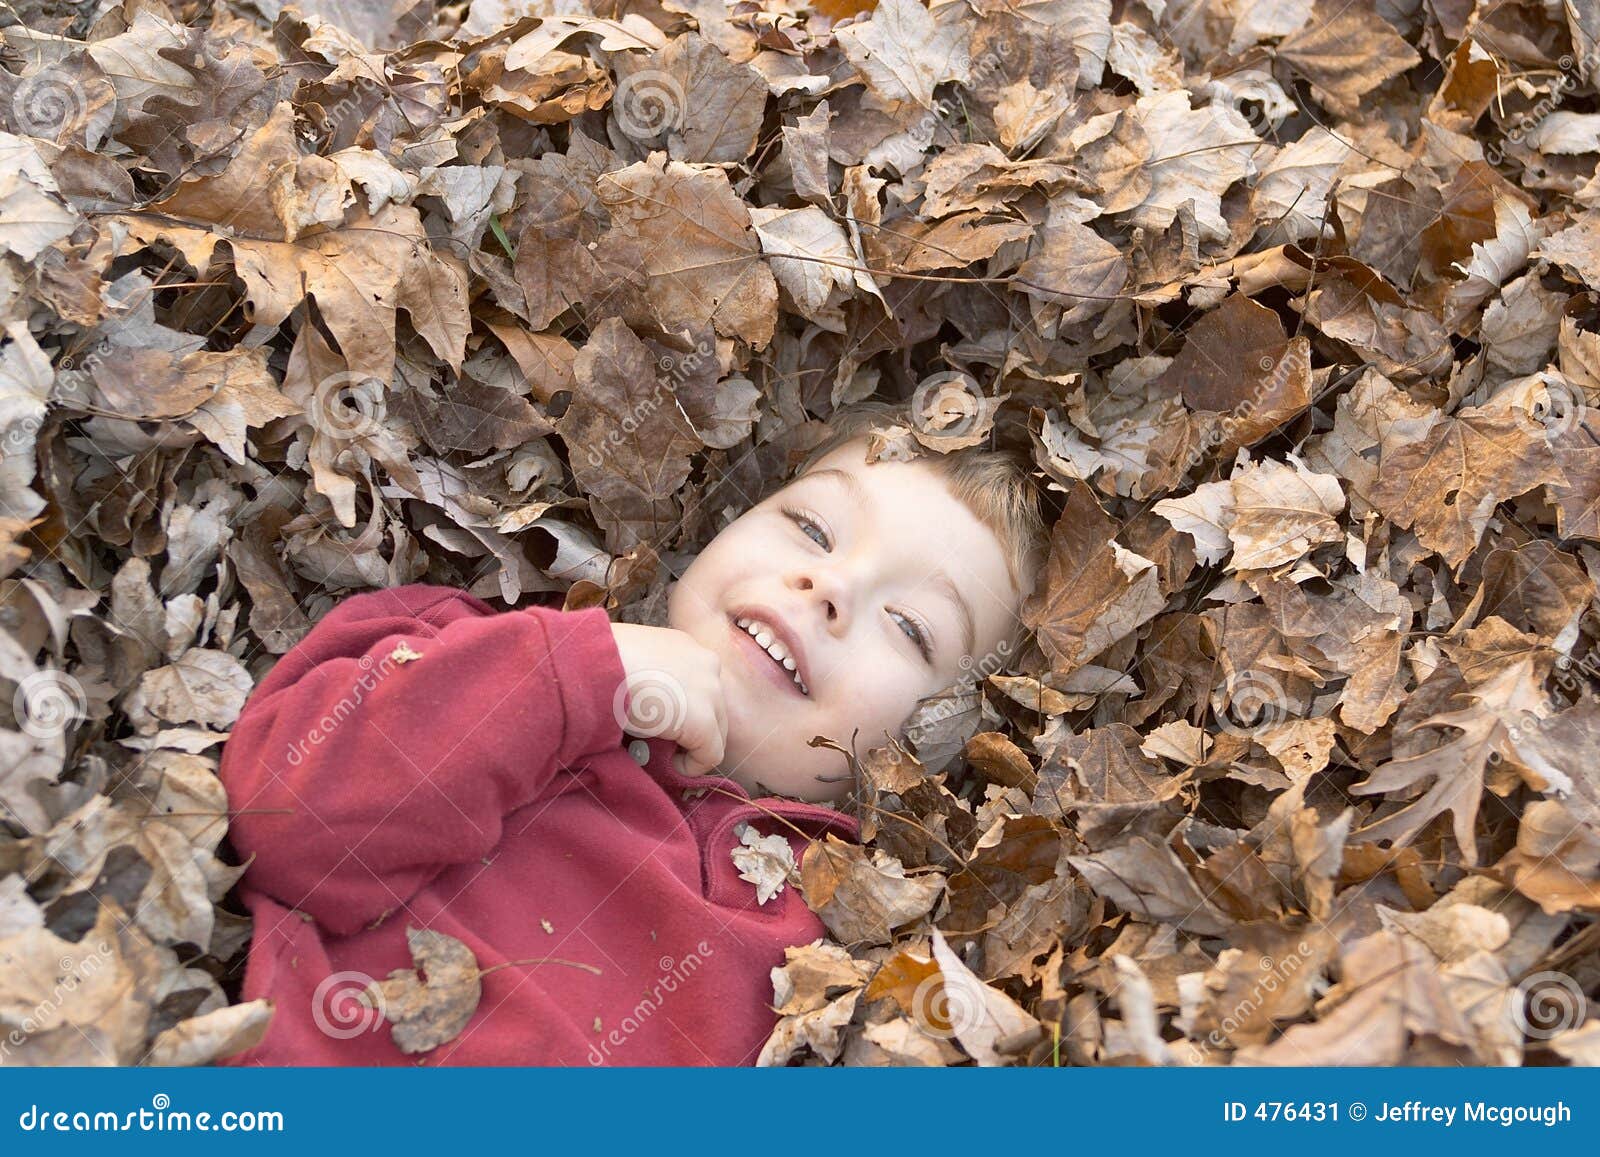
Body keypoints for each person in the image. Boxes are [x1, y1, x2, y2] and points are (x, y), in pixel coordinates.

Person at [216, 402, 1046, 1066]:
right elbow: (284, 828)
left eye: (909, 625)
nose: (829, 583)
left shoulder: (825, 958)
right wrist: (574, 679)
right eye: (814, 529)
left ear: (934, 746)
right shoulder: (470, 652)